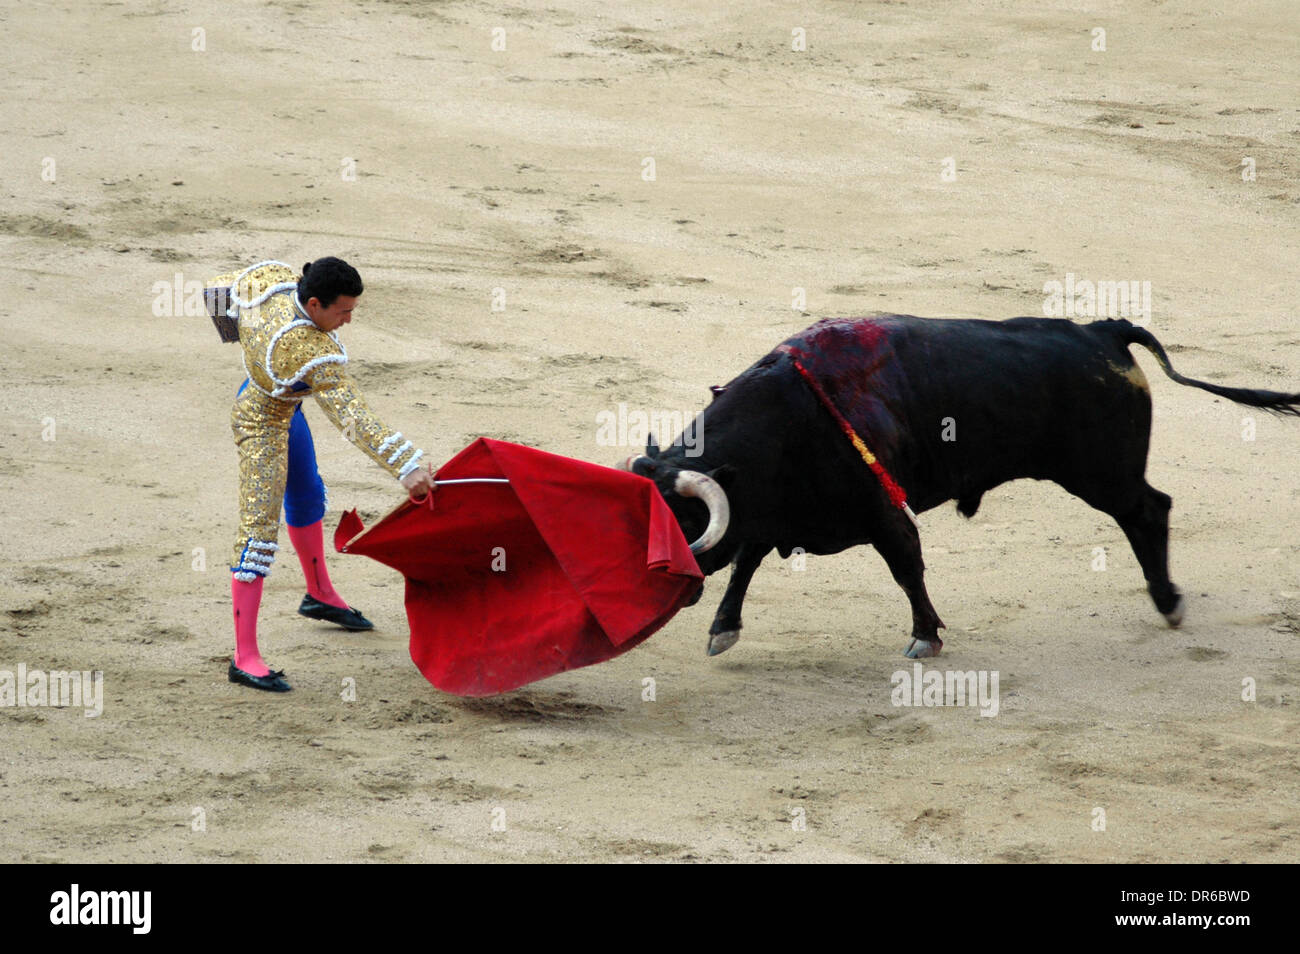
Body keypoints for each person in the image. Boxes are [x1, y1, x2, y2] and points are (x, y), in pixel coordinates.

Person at [205, 258, 435, 692]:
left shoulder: (273, 281)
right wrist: (405, 466)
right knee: (258, 534)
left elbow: (218, 288)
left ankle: (319, 595)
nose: (348, 320)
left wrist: (241, 345)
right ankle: (244, 657)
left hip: (279, 404)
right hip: (259, 422)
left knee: (308, 497)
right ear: (313, 303)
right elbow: (352, 416)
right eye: (343, 311)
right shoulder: (308, 350)